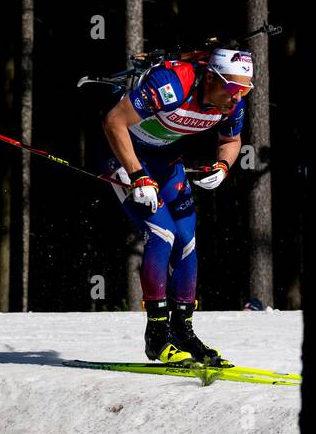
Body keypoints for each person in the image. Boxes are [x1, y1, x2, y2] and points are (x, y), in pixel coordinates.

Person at [100, 46, 254, 366]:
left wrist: (222, 167)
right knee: (163, 233)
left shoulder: (230, 105)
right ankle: (157, 336)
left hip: (166, 161)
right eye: (233, 88)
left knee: (187, 238)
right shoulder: (175, 84)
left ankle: (183, 331)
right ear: (210, 77)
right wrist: (137, 175)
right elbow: (114, 121)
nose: (238, 98)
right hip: (126, 157)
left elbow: (231, 141)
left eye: (245, 90)